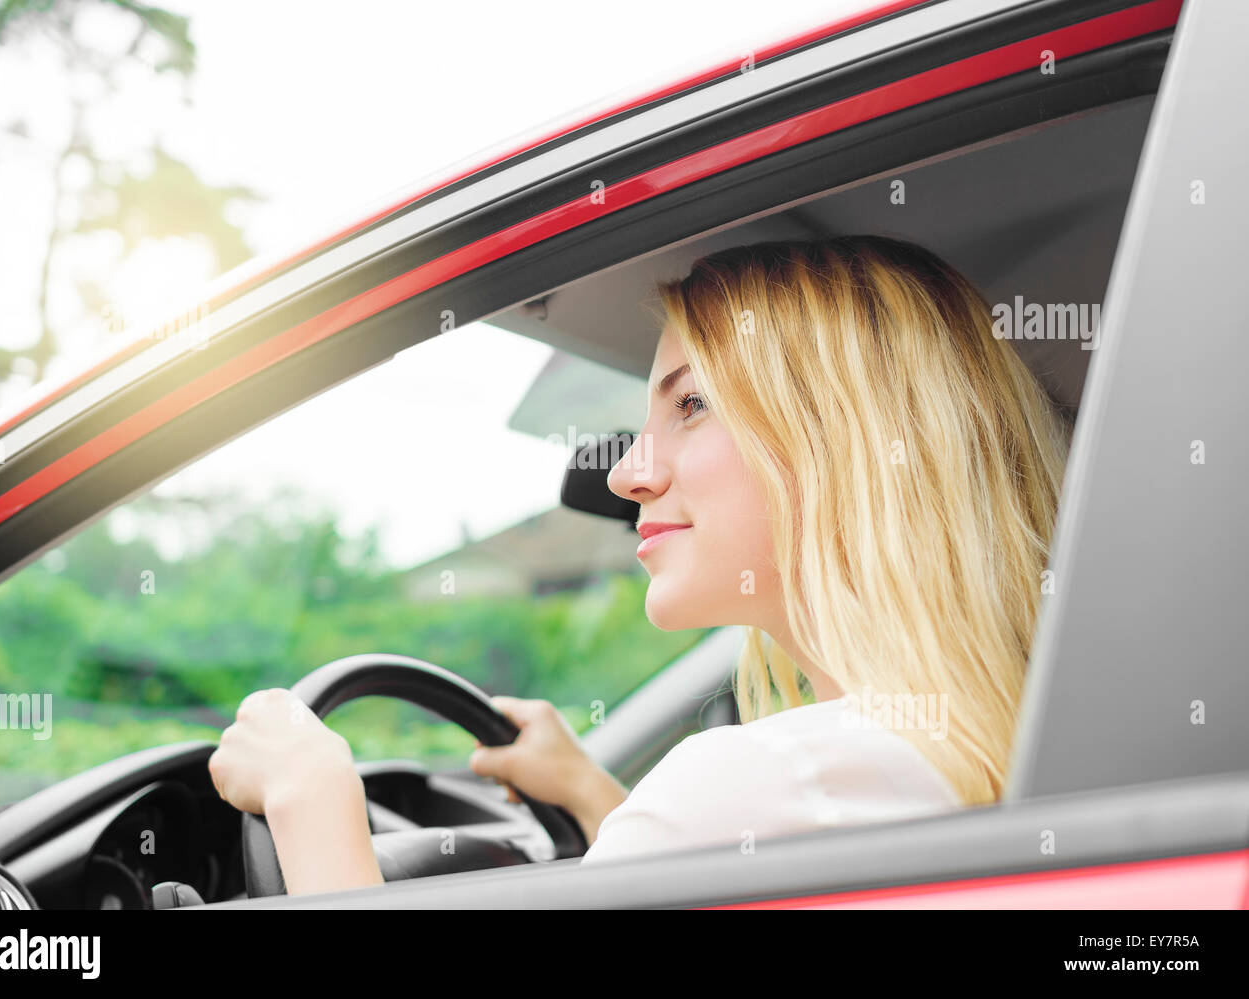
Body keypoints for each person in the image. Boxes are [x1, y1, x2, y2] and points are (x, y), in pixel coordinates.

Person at [208, 235, 1070, 893]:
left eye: (692, 403)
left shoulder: (762, 776)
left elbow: (745, 807)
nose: (627, 472)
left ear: (841, 443)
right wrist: (588, 790)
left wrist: (313, 802)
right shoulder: (996, 745)